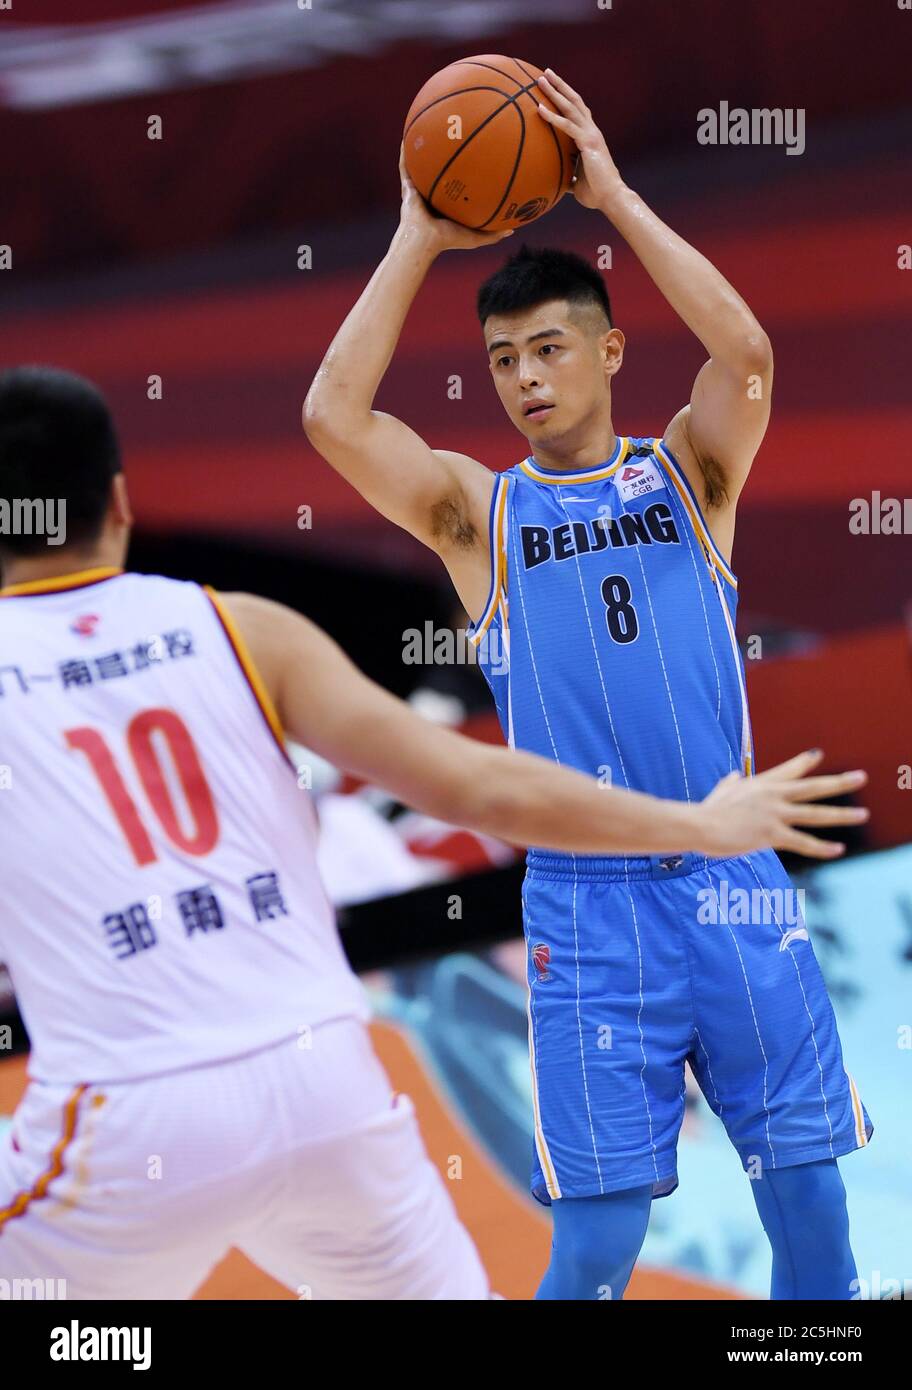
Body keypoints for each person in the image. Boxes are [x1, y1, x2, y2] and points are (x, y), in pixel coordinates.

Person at [302, 68, 873, 1300]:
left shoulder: (693, 475)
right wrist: (414, 236)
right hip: (588, 912)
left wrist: (609, 191)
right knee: (601, 1247)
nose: (524, 375)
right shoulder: (479, 516)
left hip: (733, 880)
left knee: (817, 1222)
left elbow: (748, 350)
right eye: (504, 358)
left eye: (550, 346)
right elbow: (335, 417)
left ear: (609, 351)